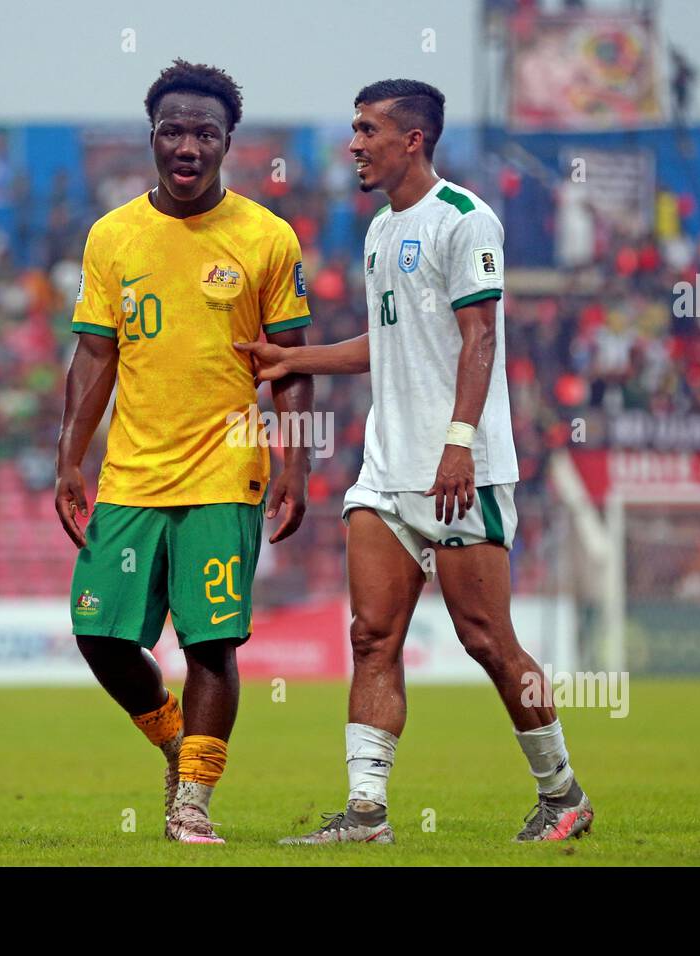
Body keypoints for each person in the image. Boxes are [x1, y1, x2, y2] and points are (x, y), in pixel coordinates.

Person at [237, 78, 593, 844]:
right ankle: (366, 812)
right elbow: (388, 342)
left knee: (486, 639)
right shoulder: (378, 230)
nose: (354, 144)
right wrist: (293, 359)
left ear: (413, 139)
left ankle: (562, 793)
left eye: (367, 130)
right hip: (386, 470)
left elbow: (480, 336)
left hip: (461, 467)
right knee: (371, 636)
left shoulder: (466, 219)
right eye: (354, 129)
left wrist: (459, 442)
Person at [55, 60, 314, 844]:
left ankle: (192, 804)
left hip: (226, 470)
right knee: (99, 633)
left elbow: (290, 364)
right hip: (132, 474)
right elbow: (94, 357)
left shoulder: (267, 237)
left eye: (205, 133)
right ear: (153, 137)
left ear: (229, 141)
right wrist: (70, 458)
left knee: (211, 641)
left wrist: (296, 464)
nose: (188, 146)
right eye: (173, 131)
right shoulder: (112, 236)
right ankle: (175, 742)